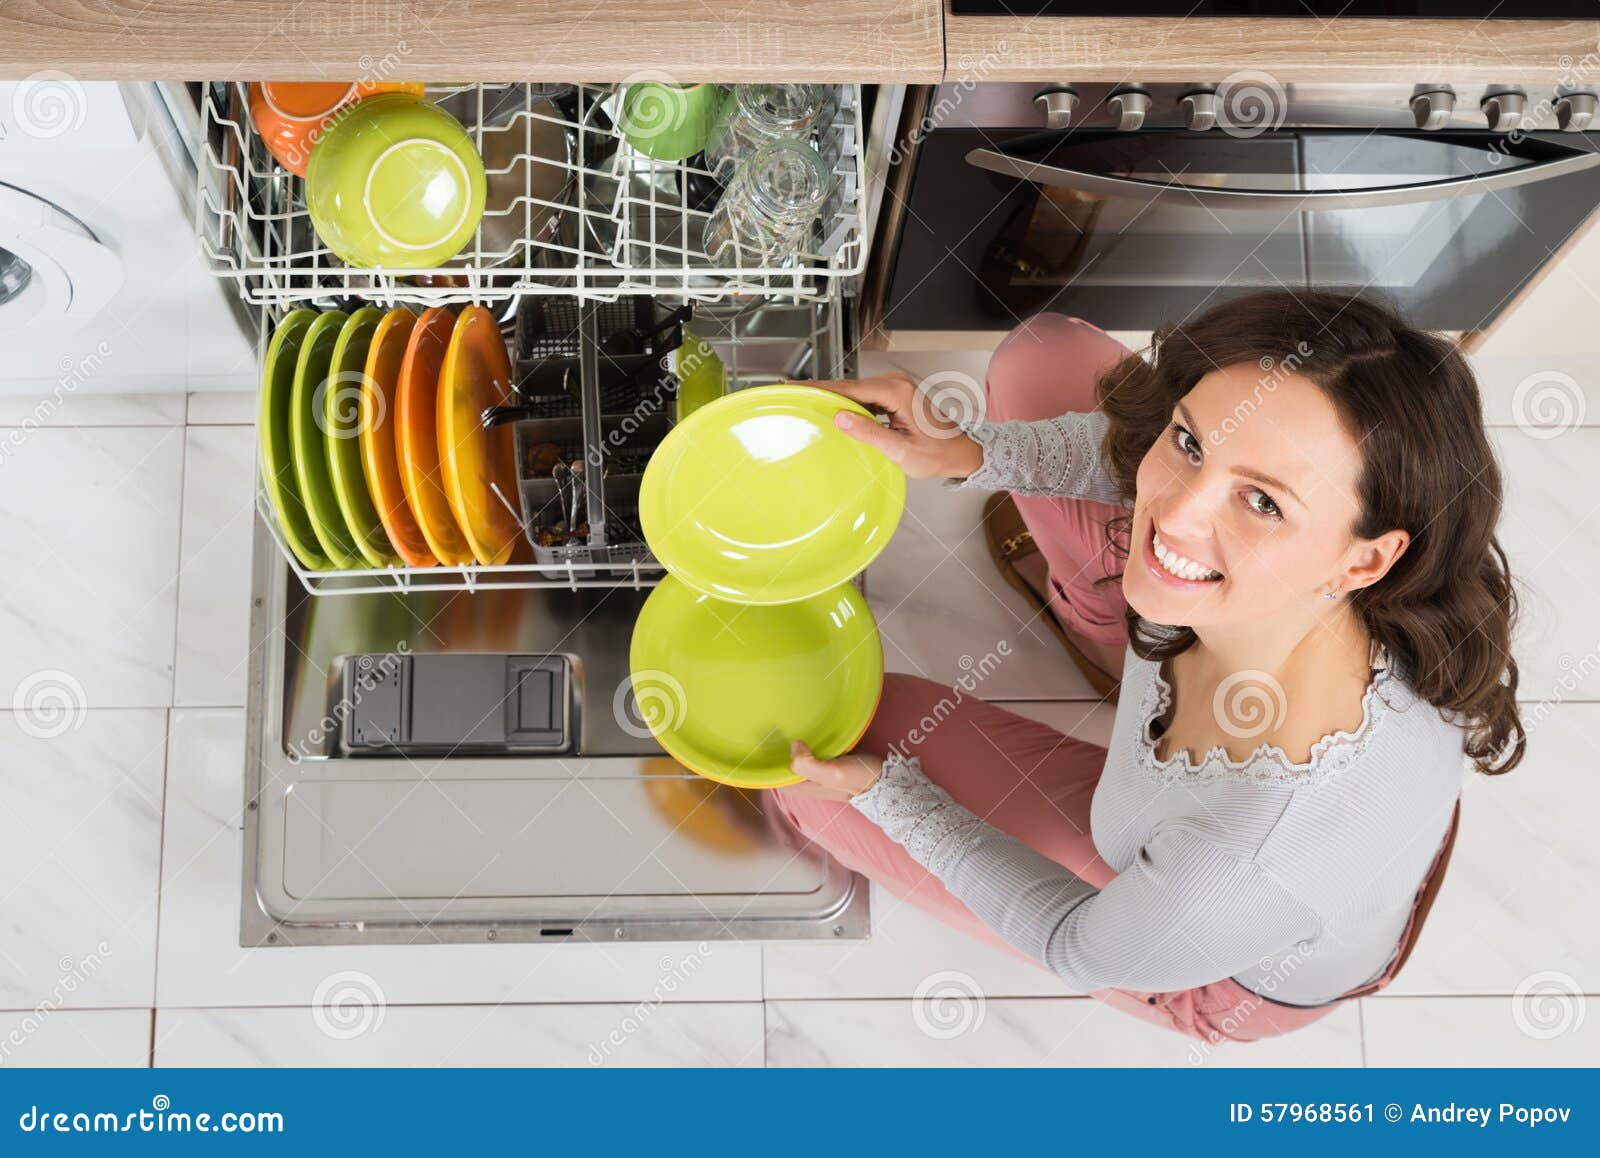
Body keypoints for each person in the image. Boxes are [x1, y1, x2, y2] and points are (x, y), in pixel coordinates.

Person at [770, 291, 1524, 1044]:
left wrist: (891, 796)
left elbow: (1075, 942)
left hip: (1214, 954)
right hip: (1228, 807)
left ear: (1365, 559)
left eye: (1261, 501)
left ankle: (1093, 616)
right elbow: (1145, 459)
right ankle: (1100, 617)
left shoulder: (1244, 859)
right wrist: (969, 449)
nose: (1177, 513)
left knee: (817, 743)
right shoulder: (1337, 580)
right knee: (1048, 359)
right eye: (1192, 445)